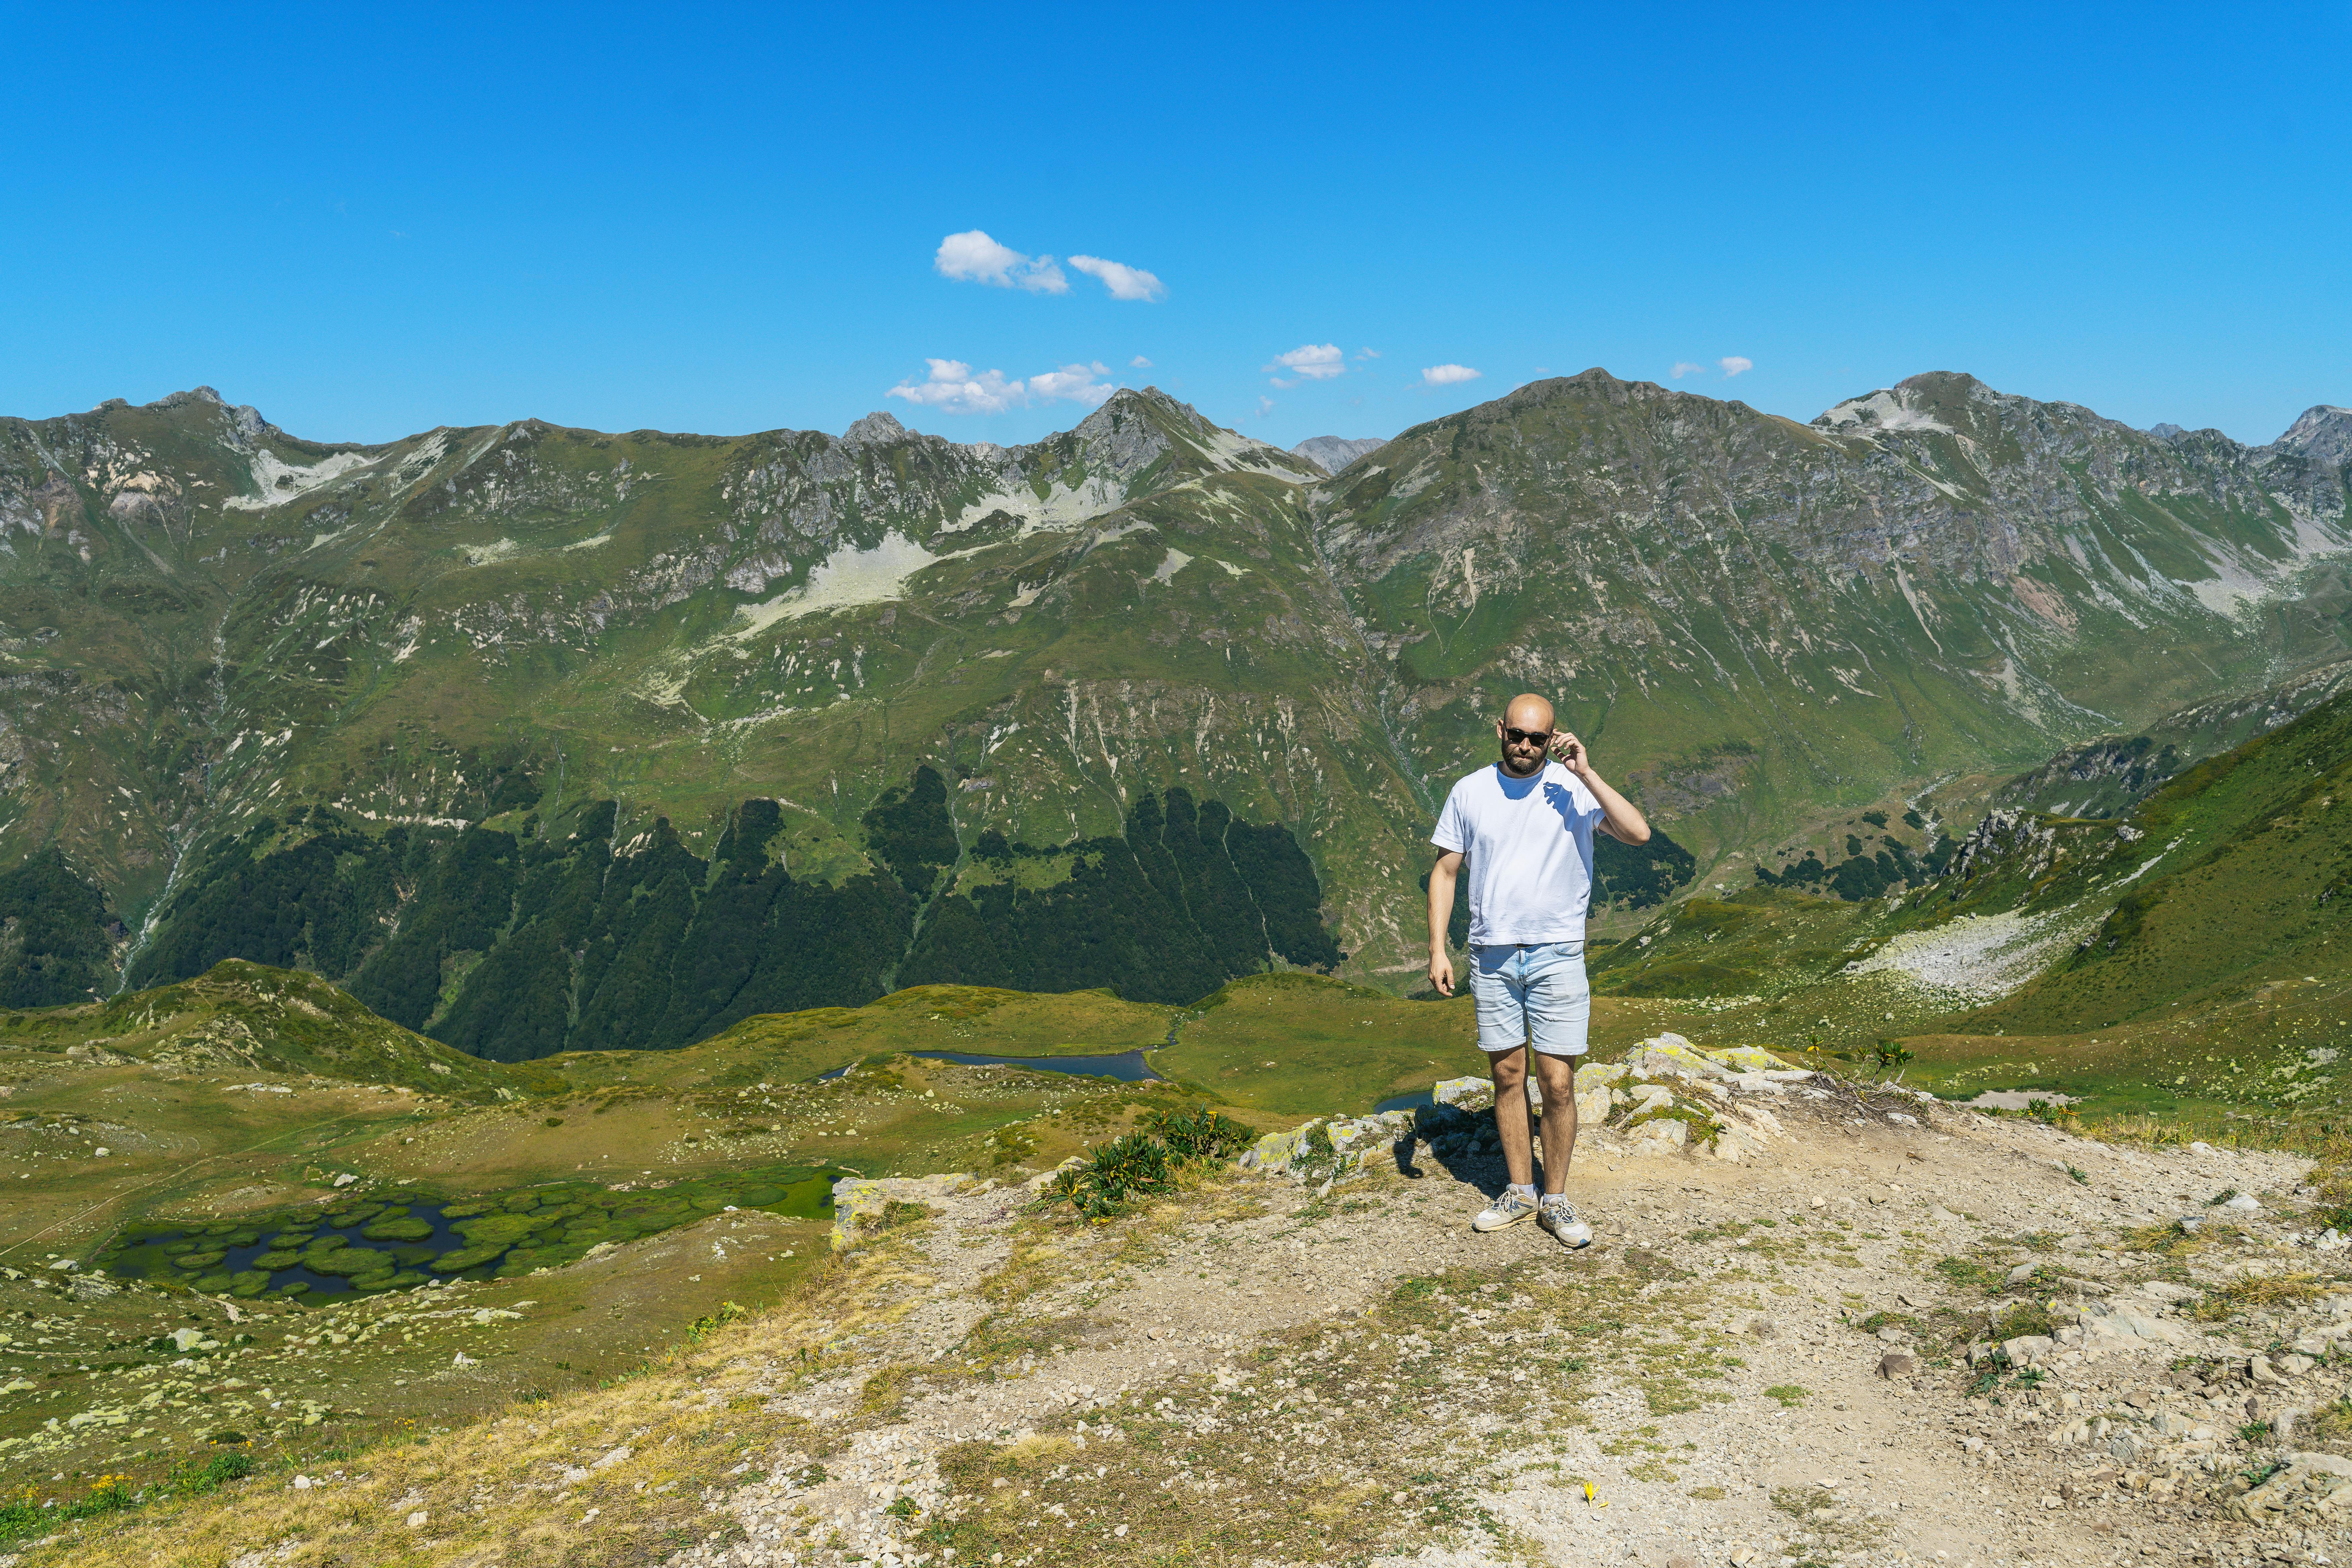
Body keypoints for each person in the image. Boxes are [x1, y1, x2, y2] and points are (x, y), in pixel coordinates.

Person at [1426, 693, 1651, 1247]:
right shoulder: (1470, 791)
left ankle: (1556, 1198)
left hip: (1558, 954)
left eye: (1537, 738)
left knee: (1557, 1082)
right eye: (1516, 735)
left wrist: (1587, 772)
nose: (1524, 747)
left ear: (1552, 738)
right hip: (1492, 953)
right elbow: (1446, 871)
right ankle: (1521, 1192)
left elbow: (1638, 833)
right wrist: (1437, 949)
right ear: (1500, 730)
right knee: (1507, 1076)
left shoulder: (1573, 788)